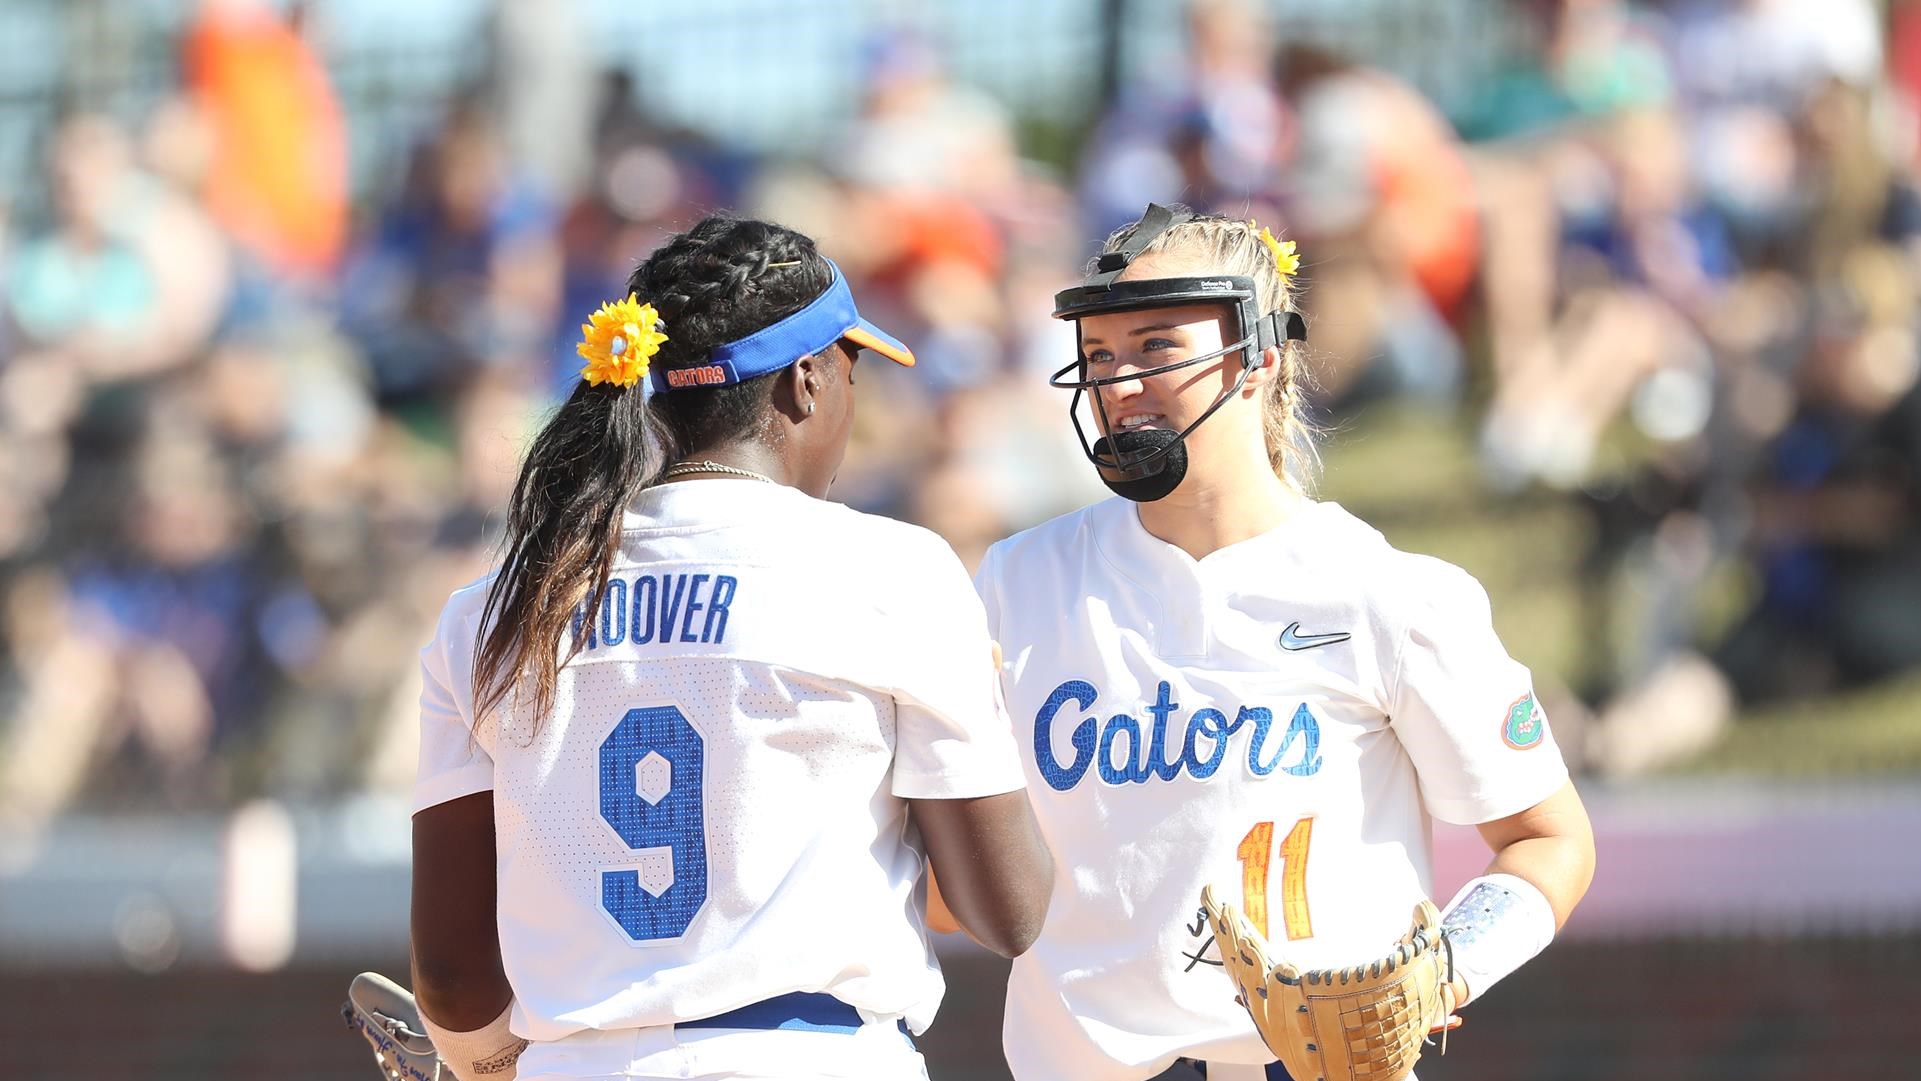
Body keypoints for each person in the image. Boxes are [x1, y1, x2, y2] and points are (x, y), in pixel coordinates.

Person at [953, 205, 1596, 1080]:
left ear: (1257, 354)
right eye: (1099, 354)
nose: (1118, 382)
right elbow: (953, 881)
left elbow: (1548, 838)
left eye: (1155, 347)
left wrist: (1446, 968)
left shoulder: (1388, 592)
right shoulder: (1012, 584)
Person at [406, 214, 1053, 1081]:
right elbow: (1007, 911)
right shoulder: (892, 569)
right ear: (806, 381)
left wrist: (487, 1067)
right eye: (851, 366)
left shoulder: (493, 608)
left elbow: (449, 976)